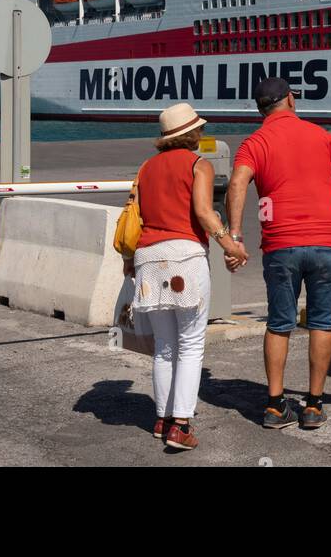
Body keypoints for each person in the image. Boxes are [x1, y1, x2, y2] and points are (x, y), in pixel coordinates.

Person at [225, 77, 331, 430]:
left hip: (281, 246)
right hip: (327, 244)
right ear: (291, 100)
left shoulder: (254, 142)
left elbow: (236, 182)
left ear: (261, 108)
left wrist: (235, 235)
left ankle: (276, 406)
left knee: (279, 325)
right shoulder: (322, 136)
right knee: (323, 324)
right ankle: (313, 405)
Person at [124, 103, 248, 450]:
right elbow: (204, 213)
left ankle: (162, 419)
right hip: (184, 256)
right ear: (191, 134)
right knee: (191, 343)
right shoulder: (199, 165)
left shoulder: (146, 167)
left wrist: (127, 260)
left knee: (164, 345)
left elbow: (136, 213)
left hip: (148, 255)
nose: (202, 135)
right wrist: (231, 244)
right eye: (200, 130)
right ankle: (181, 425)